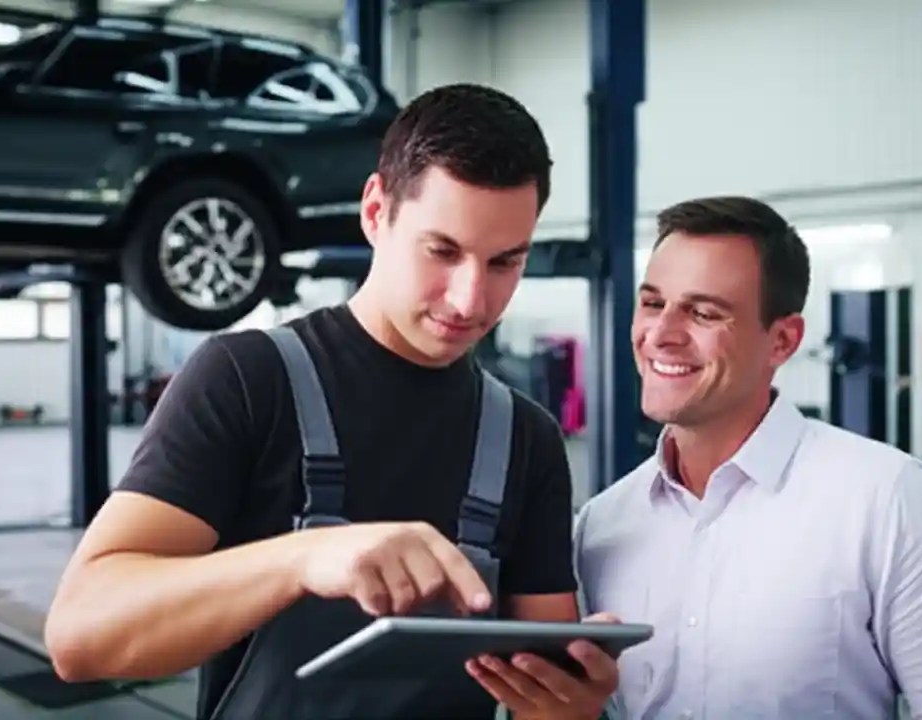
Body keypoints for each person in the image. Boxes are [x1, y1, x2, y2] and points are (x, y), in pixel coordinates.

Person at [43, 83, 620, 720]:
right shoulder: (246, 381)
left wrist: (571, 705)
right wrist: (302, 558)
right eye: (443, 251)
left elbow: (544, 683)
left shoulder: (525, 440)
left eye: (505, 262)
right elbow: (80, 637)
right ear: (376, 211)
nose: (470, 299)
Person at [573, 196, 922, 719]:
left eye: (703, 313)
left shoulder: (886, 499)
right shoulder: (602, 524)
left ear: (782, 341)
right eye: (653, 304)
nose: (661, 335)